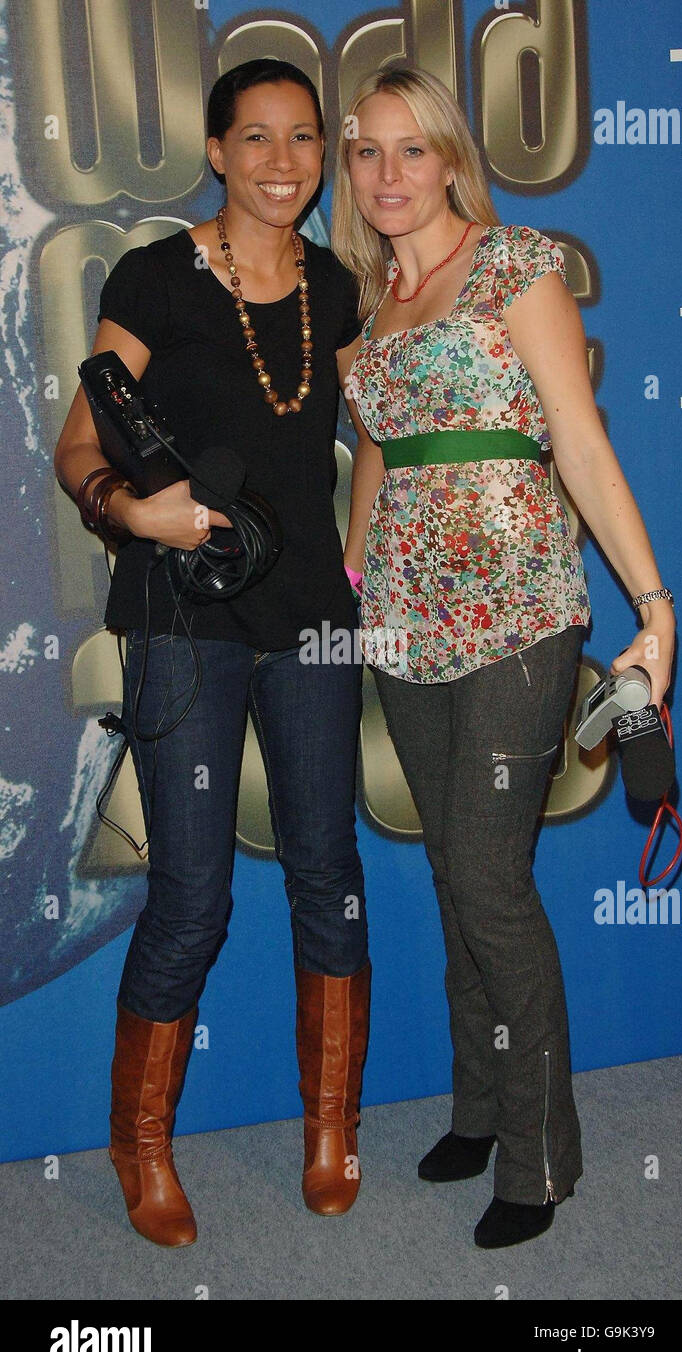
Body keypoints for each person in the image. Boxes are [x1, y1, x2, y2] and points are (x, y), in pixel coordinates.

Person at [333, 65, 675, 1248]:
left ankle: (538, 1156)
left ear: (449, 157)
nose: (387, 174)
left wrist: (652, 600)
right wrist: (355, 585)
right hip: (408, 628)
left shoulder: (517, 262)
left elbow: (574, 431)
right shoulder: (374, 298)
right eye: (366, 152)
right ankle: (478, 1104)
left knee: (489, 883)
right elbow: (381, 451)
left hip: (523, 611)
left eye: (410, 150)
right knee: (450, 877)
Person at [54, 59, 371, 1246]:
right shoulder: (159, 275)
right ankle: (142, 1149)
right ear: (218, 150)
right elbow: (83, 434)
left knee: (328, 872)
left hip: (313, 619)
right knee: (192, 893)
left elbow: (375, 432)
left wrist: (363, 560)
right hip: (182, 619)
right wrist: (123, 510)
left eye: (302, 139)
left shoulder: (338, 285)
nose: (281, 164)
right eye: (256, 139)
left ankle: (331, 1129)